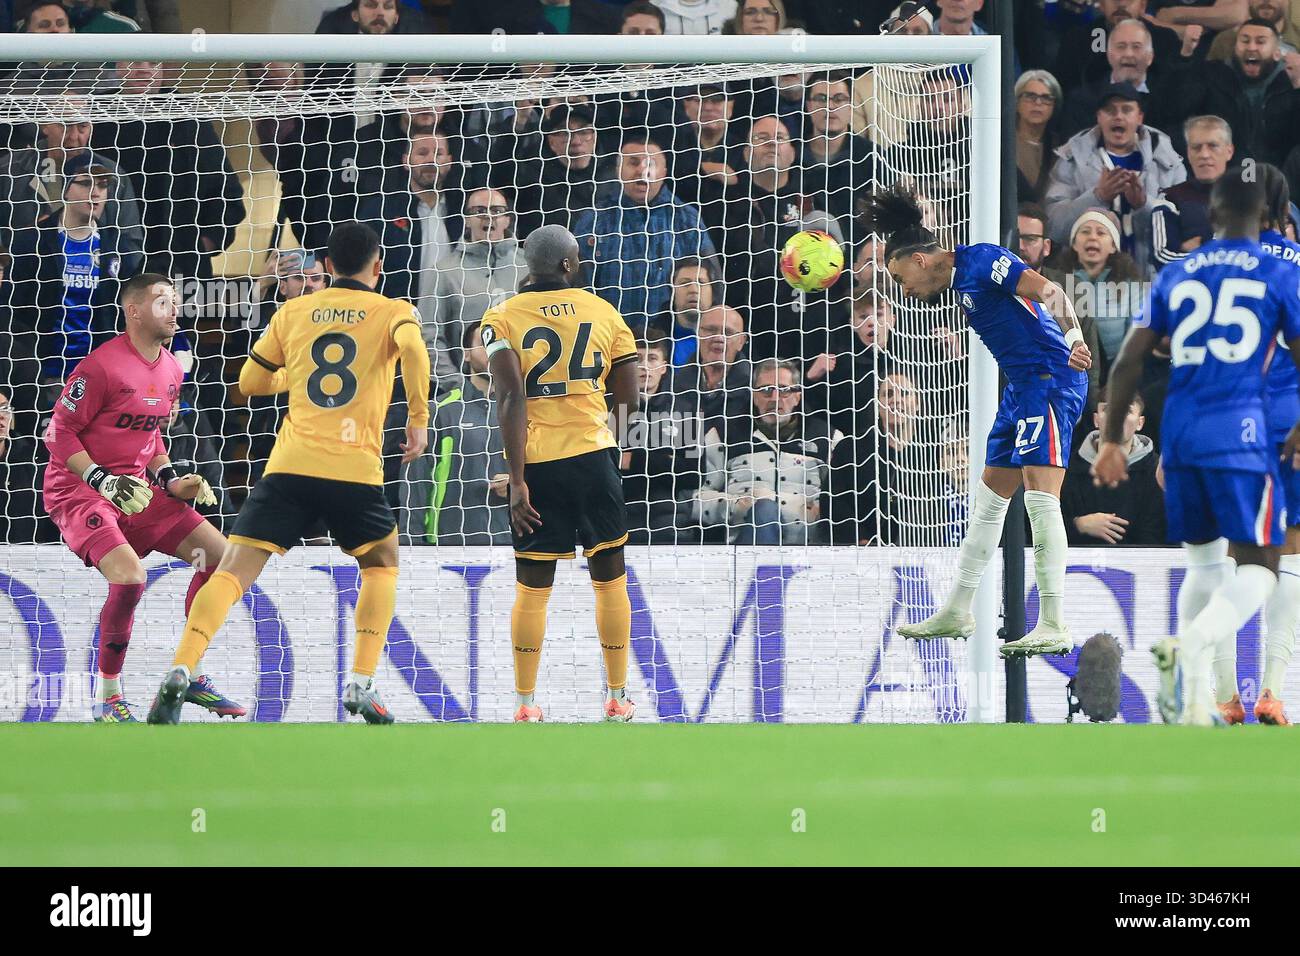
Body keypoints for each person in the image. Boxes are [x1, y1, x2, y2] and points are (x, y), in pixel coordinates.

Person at [147, 222, 431, 725]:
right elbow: (412, 350)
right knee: (382, 564)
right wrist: (416, 420)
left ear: (326, 266)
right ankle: (362, 683)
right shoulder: (394, 311)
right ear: (378, 264)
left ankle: (181, 668)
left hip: (291, 466)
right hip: (353, 469)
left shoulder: (294, 310)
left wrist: (291, 375)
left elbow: (249, 382)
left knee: (233, 571)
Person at [1093, 168, 1300, 726]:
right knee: (1271, 563)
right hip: (1253, 434)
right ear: (1274, 214)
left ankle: (1205, 697)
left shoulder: (1178, 274)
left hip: (1182, 433)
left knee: (1207, 564)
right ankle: (1222, 662)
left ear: (1211, 214)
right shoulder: (1283, 269)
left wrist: (1113, 441)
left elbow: (1130, 359)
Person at [867, 185, 1093, 657]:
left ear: (920, 259)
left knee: (1039, 498)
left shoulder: (982, 259)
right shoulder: (957, 285)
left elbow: (1049, 289)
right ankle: (958, 609)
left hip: (1051, 380)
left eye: (900, 276)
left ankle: (1054, 621)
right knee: (989, 500)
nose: (902, 289)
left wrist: (1073, 336)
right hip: (1020, 389)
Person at [40, 273, 242, 722]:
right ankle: (108, 697)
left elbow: (149, 440)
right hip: (77, 492)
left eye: (174, 301)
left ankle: (189, 674)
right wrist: (100, 480)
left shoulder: (171, 368)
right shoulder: (100, 367)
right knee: (130, 578)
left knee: (222, 561)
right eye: (162, 302)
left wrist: (171, 479)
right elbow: (58, 434)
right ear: (133, 311)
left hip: (135, 489)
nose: (174, 310)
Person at [479, 224, 640, 723]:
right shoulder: (605, 313)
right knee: (609, 578)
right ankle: (616, 696)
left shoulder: (500, 318)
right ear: (570, 265)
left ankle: (526, 704)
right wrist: (618, 449)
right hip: (593, 456)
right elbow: (628, 396)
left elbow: (510, 398)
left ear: (530, 265)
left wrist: (518, 478)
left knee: (532, 584)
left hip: (538, 464)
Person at [92, 59, 246, 281]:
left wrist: (203, 243)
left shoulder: (187, 116)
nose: (143, 69)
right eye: (135, 62)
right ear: (118, 68)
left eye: (153, 63)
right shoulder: (99, 115)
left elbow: (227, 190)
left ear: (162, 70)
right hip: (110, 262)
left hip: (179, 266)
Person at [8, 154, 141, 384]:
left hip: (100, 375)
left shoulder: (118, 248)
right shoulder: (32, 242)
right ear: (67, 188)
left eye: (102, 185)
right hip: (43, 373)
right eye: (86, 182)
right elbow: (12, 309)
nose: (96, 192)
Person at [572, 135, 717, 333]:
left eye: (651, 163)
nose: (642, 170)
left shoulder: (687, 220)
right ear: (618, 170)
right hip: (608, 338)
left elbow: (713, 284)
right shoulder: (594, 221)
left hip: (671, 342)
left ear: (664, 172)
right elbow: (578, 287)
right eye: (633, 163)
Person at [695, 358, 845, 544]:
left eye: (783, 390)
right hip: (745, 546)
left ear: (797, 396)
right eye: (766, 390)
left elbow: (846, 499)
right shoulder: (725, 434)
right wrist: (737, 505)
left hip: (811, 550)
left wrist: (822, 510)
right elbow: (697, 498)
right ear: (754, 396)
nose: (775, 399)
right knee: (765, 509)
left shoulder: (827, 437)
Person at [1044, 82, 1187, 269]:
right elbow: (1053, 227)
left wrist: (1144, 205)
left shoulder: (1167, 161)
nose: (1118, 116)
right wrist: (1096, 197)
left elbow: (1180, 229)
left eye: (1126, 110)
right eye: (1110, 110)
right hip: (1087, 281)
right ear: (1099, 117)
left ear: (1140, 117)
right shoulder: (1072, 158)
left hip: (1151, 279)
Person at [427, 187, 528, 390]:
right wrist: (460, 388)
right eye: (479, 210)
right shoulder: (445, 272)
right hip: (468, 397)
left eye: (497, 210)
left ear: (508, 219)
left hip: (527, 392)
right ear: (466, 219)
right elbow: (429, 336)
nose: (488, 217)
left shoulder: (528, 265)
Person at [1061, 392, 1165, 546]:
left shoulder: (1157, 471)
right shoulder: (1067, 467)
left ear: (1140, 423)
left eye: (1127, 411)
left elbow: (1159, 534)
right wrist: (1078, 525)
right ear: (1096, 420)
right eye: (1108, 410)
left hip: (1142, 564)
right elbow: (1037, 528)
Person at [1150, 116, 1235, 268]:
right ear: (1189, 153)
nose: (1204, 154)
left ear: (1229, 151)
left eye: (1213, 146)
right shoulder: (1170, 199)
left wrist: (1196, 252)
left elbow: (1269, 251)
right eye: (1196, 147)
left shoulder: (1250, 198)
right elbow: (1162, 257)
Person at [1015, 70, 1065, 203]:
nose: (1038, 103)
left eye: (1046, 98)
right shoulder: (1001, 142)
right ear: (1017, 102)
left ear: (1054, 106)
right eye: (1030, 96)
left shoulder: (1060, 147)